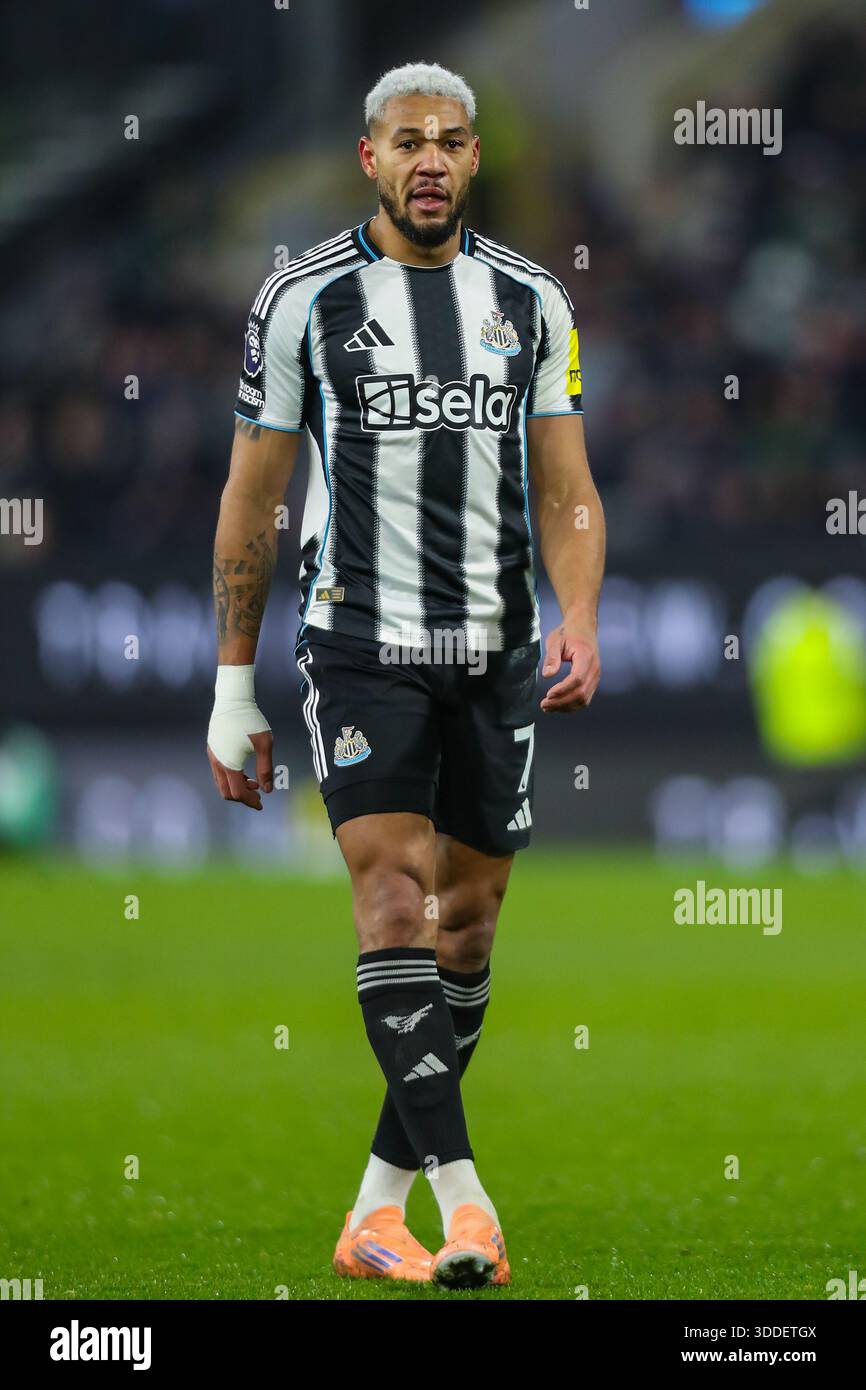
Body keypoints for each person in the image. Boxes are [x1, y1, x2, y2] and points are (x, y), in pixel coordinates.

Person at [207, 61, 604, 1289]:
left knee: (467, 928)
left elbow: (567, 491)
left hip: (494, 651)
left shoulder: (532, 301)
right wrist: (232, 686)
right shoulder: (301, 298)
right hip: (358, 642)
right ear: (368, 159)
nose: (427, 158)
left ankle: (373, 1213)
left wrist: (576, 614)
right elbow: (253, 502)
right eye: (404, 140)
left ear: (473, 159)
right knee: (395, 901)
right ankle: (466, 1205)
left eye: (448, 139)